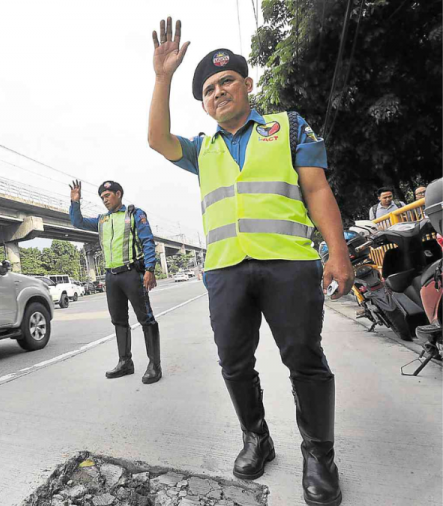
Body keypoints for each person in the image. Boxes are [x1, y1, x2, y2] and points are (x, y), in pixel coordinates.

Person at [146, 17, 353, 506]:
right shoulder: (202, 149)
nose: (218, 92)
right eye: (209, 89)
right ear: (204, 102)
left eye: (226, 81)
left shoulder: (287, 127)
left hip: (288, 264)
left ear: (247, 85)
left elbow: (316, 188)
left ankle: (319, 454)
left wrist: (338, 254)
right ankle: (256, 437)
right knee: (234, 363)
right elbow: (157, 139)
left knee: (305, 359)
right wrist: (162, 77)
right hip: (225, 271)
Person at [69, 179, 162, 384]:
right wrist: (75, 202)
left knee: (146, 318)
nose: (105, 200)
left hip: (132, 274)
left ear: (118, 194)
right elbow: (78, 222)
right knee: (118, 320)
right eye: (102, 197)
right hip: (111, 277)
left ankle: (154, 365)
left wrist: (150, 269)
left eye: (108, 196)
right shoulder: (102, 220)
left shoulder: (135, 215)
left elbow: (148, 241)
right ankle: (125, 362)